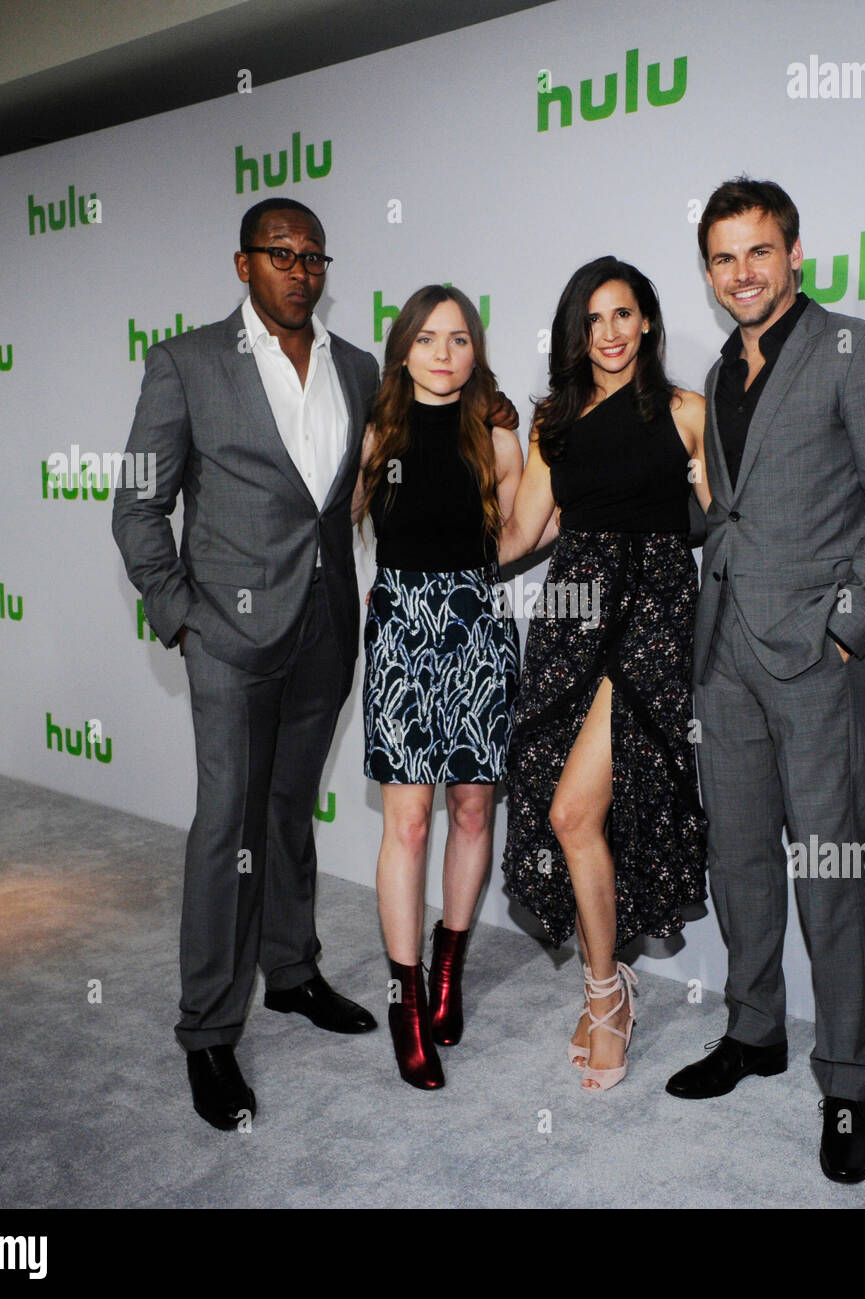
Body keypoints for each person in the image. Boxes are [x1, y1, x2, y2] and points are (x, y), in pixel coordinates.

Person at [664, 177, 865, 1183]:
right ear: (708, 272)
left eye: (759, 252)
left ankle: (849, 1084)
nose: (742, 272)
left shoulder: (860, 351)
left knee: (825, 872)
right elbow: (724, 515)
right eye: (724, 257)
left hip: (812, 658)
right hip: (723, 646)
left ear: (795, 254)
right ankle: (753, 1030)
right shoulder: (719, 369)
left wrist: (849, 632)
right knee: (737, 858)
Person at [112, 197, 380, 1131]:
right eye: (281, 253)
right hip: (229, 636)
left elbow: (355, 490)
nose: (300, 270)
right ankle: (208, 1029)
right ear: (243, 264)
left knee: (288, 807)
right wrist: (181, 615)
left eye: (313, 255)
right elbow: (137, 507)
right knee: (227, 821)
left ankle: (292, 972)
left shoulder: (357, 366)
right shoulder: (184, 363)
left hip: (323, 630)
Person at [499, 255, 710, 1092]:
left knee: (571, 808)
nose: (610, 333)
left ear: (649, 321)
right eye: (593, 319)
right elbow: (522, 534)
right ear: (576, 331)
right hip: (571, 617)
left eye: (624, 315)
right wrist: (433, 558)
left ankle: (604, 996)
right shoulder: (554, 419)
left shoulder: (689, 412)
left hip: (652, 618)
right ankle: (608, 985)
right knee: (569, 817)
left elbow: (729, 519)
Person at [352, 285, 524, 1090]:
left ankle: (450, 968)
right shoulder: (376, 430)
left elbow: (521, 532)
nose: (445, 353)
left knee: (471, 807)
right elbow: (330, 518)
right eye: (428, 338)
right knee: (410, 821)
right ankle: (406, 997)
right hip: (399, 631)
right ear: (404, 348)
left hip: (478, 626)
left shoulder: (494, 436)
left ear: (474, 350)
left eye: (459, 339)